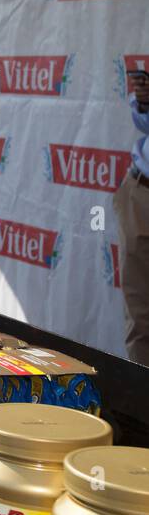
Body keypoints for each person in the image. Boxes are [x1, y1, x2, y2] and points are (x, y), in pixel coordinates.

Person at [116, 67, 149, 365]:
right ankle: (142, 404)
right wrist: (145, 102)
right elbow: (143, 122)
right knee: (140, 315)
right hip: (141, 193)